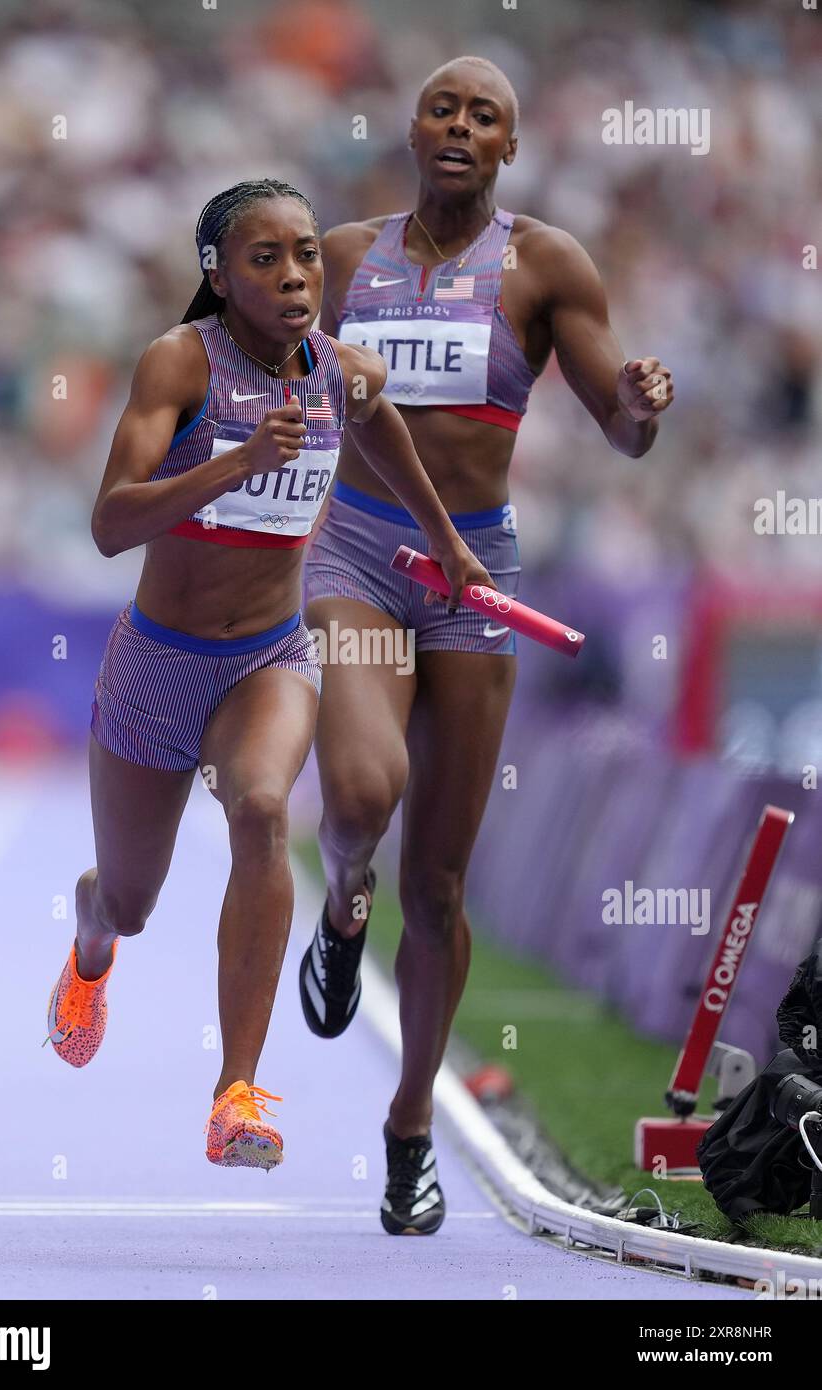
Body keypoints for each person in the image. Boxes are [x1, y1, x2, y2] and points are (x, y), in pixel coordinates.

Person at [43, 178, 491, 1173]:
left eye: (305, 256)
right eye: (264, 258)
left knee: (258, 809)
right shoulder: (178, 363)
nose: (293, 276)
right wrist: (232, 465)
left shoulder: (342, 373)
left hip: (269, 657)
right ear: (218, 273)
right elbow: (112, 522)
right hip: (160, 662)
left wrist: (447, 543)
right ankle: (92, 933)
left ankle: (233, 1092)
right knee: (132, 899)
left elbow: (387, 433)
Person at [301, 57, 675, 1231]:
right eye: (443, 109)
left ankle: (410, 1120)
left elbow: (618, 424)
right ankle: (341, 895)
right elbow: (250, 365)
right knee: (362, 794)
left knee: (443, 879)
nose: (461, 126)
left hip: (476, 579)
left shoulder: (544, 264)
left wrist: (640, 404)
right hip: (358, 559)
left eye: (486, 117)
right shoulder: (343, 258)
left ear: (508, 148)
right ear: (410, 128)